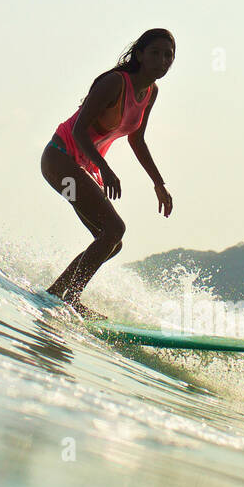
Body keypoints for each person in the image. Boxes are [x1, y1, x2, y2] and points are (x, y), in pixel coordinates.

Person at [41, 29, 175, 317]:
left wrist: (158, 184)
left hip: (81, 168)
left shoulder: (150, 93)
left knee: (112, 242)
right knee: (114, 230)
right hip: (60, 160)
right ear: (139, 55)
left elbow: (136, 139)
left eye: (168, 55)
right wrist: (105, 169)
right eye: (155, 53)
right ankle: (67, 298)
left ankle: (57, 293)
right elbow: (78, 130)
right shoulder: (115, 83)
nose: (162, 60)